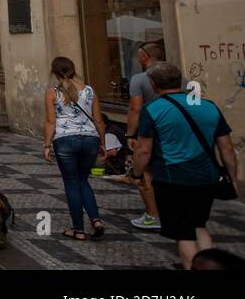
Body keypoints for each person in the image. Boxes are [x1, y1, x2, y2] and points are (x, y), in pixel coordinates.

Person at [132, 61, 238, 270]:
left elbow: (143, 149)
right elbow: (226, 148)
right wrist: (233, 178)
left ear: (153, 84)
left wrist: (137, 174)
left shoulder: (153, 109)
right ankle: (210, 265)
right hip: (206, 176)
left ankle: (193, 267)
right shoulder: (208, 106)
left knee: (184, 233)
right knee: (199, 225)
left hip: (172, 178)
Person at [43, 56, 107, 241]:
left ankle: (78, 229)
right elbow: (99, 120)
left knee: (71, 182)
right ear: (73, 69)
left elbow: (50, 121)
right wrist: (102, 143)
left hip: (65, 140)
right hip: (90, 139)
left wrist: (47, 145)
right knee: (83, 180)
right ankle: (96, 220)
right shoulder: (89, 90)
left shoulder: (52, 92)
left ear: (54, 73)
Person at [126, 41, 168, 230]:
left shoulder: (140, 78)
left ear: (144, 57)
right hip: (174, 130)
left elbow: (135, 108)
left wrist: (130, 134)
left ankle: (153, 214)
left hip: (150, 130)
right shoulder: (178, 77)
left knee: (146, 171)